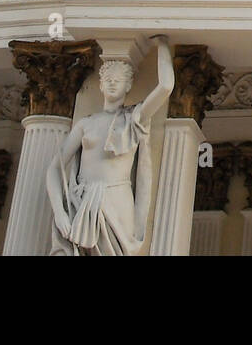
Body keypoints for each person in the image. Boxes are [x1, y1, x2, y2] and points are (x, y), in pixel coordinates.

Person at [47, 36, 174, 255]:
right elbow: (54, 168)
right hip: (83, 198)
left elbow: (165, 87)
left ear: (129, 85)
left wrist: (162, 44)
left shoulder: (135, 118)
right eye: (108, 79)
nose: (113, 83)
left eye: (118, 79)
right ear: (100, 84)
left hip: (117, 200)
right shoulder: (86, 124)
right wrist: (59, 212)